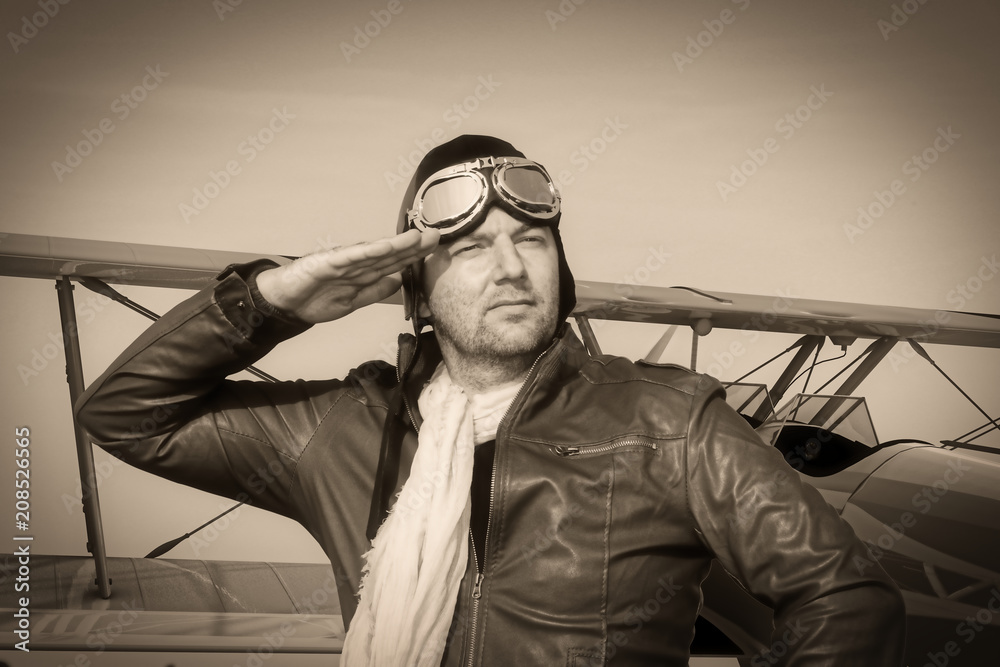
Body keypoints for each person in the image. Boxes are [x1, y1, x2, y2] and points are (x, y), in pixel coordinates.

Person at [75, 135, 906, 666]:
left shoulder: (669, 419)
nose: (511, 268)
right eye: (470, 248)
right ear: (418, 293)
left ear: (561, 269)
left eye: (532, 241)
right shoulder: (342, 428)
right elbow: (123, 415)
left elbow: (845, 597)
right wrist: (272, 298)